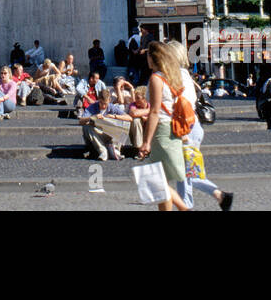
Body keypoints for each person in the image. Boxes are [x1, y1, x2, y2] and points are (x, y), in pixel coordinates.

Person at [167, 40, 234, 211]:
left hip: (187, 127)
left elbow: (184, 103)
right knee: (187, 170)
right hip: (191, 126)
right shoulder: (183, 74)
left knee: (185, 171)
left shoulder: (179, 75)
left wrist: (182, 130)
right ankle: (220, 196)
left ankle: (191, 204)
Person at [136, 40, 189, 211]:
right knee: (161, 179)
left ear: (152, 57)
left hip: (162, 131)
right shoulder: (172, 76)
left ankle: (185, 209)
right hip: (173, 129)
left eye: (148, 56)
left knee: (158, 180)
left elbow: (154, 112)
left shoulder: (156, 78)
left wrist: (146, 141)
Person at [79, 87, 127, 161]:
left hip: (110, 133)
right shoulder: (92, 107)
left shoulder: (112, 107)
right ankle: (103, 151)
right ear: (98, 100)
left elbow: (129, 118)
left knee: (124, 124)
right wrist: (92, 117)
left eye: (106, 104)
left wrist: (114, 116)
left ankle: (115, 149)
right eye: (101, 103)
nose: (103, 106)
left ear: (109, 101)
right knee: (86, 126)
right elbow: (81, 121)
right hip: (97, 134)